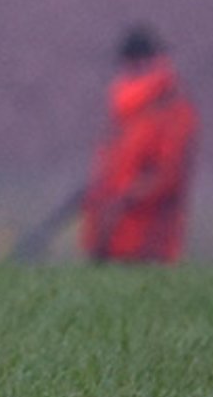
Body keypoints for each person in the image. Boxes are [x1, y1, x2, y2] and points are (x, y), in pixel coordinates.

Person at [78, 25, 199, 264]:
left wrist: (123, 201)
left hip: (144, 243)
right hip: (115, 238)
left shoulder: (170, 110)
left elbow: (166, 174)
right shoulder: (128, 110)